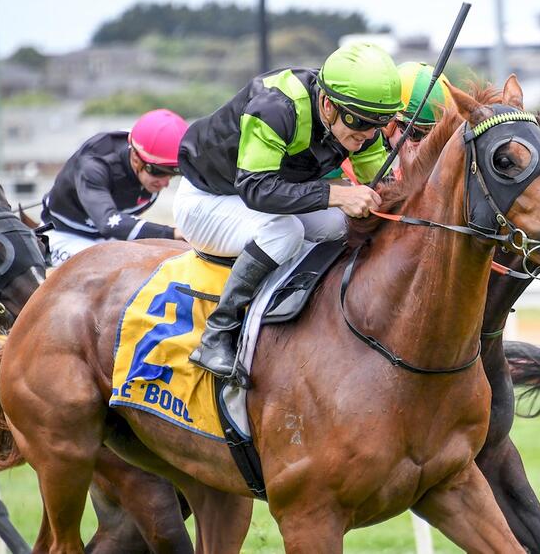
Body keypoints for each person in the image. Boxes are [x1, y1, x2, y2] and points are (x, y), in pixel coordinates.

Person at [174, 42, 404, 379]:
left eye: (378, 124)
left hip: (263, 197)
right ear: (327, 103)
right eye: (360, 122)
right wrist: (337, 194)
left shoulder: (360, 127)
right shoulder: (276, 107)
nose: (367, 135)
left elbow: (385, 190)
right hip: (207, 199)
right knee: (285, 232)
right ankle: (218, 333)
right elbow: (255, 188)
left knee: (342, 224)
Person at [41, 109, 188, 266]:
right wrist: (172, 233)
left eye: (173, 174)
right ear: (136, 158)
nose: (166, 183)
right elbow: (108, 223)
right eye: (159, 172)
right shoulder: (94, 165)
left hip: (111, 238)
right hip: (64, 235)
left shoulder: (144, 152)